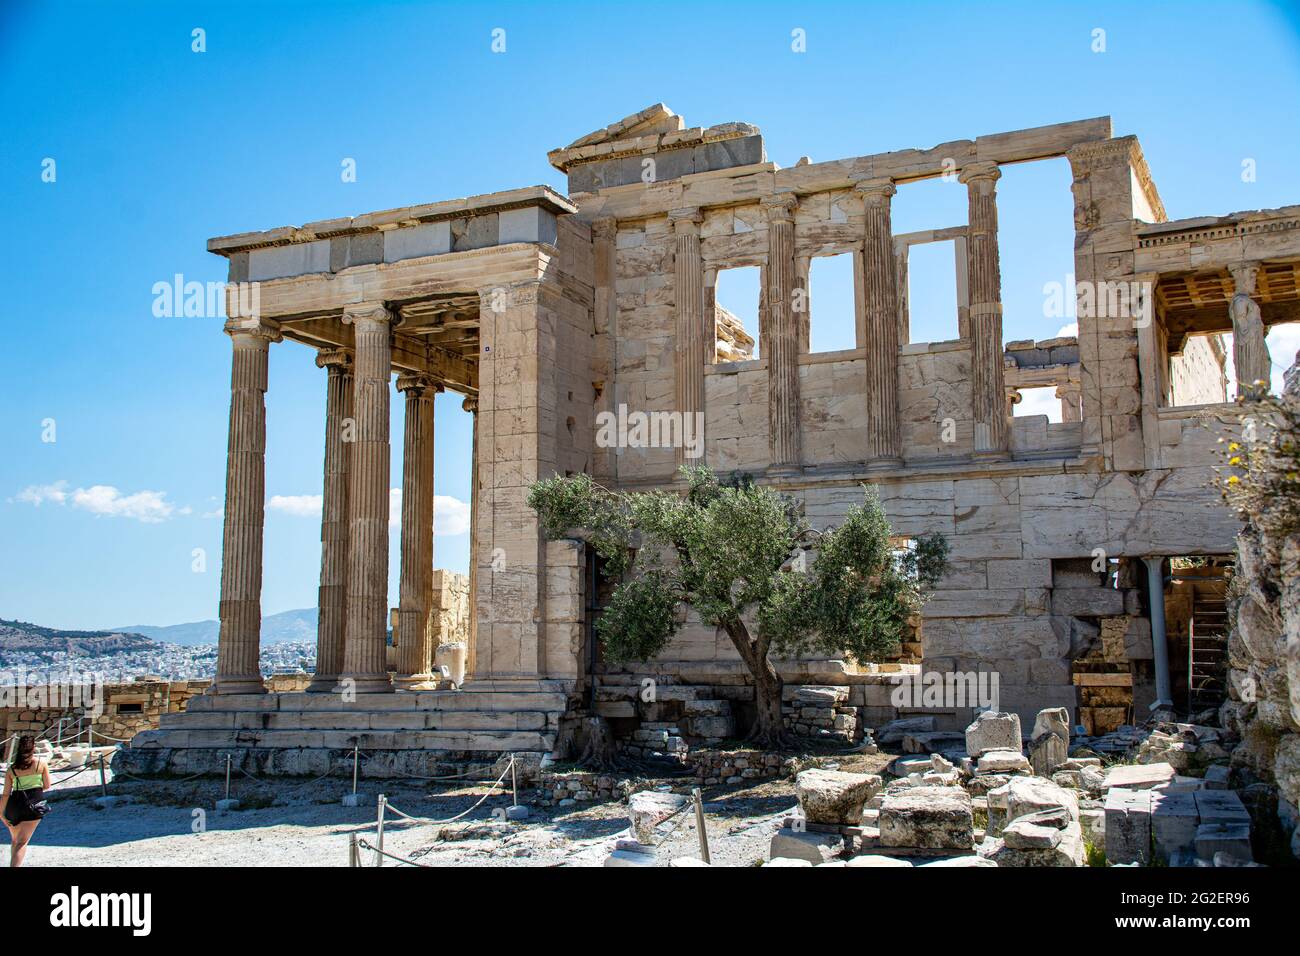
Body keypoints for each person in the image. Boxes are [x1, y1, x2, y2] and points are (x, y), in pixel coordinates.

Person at [1, 736, 51, 867]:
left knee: (15, 841)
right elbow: (47, 785)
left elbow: (6, 794)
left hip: (14, 806)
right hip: (34, 803)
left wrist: (1, 813)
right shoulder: (41, 764)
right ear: (33, 748)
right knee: (22, 842)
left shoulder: (12, 769)